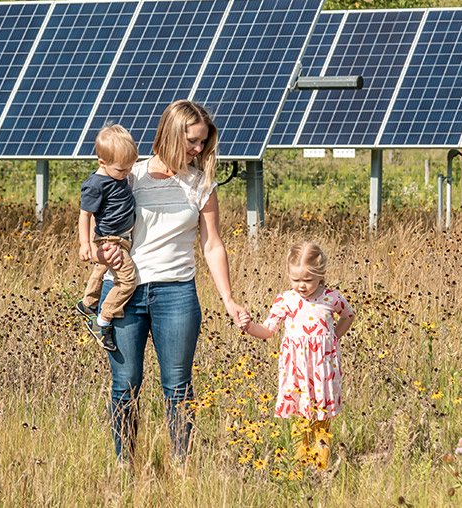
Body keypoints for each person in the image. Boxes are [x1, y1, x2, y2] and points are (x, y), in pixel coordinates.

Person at [88, 99, 251, 465]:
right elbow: (97, 230)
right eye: (193, 140)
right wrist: (100, 254)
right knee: (125, 384)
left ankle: (180, 466)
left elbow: (212, 244)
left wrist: (228, 299)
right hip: (124, 293)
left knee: (178, 386)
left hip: (177, 294)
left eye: (203, 142)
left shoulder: (201, 185)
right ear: (172, 134)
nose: (199, 148)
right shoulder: (130, 175)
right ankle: (125, 466)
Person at [236, 241, 356, 470]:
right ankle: (300, 465)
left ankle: (320, 467)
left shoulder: (332, 298)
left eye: (308, 280)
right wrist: (249, 327)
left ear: (321, 274)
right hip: (297, 372)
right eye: (296, 279)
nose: (301, 285)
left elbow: (348, 315)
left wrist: (333, 338)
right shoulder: (286, 300)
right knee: (300, 417)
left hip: (323, 371)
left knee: (322, 417)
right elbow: (268, 330)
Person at [76, 124, 139, 352]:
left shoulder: (117, 173)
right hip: (111, 240)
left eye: (130, 167)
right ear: (102, 162)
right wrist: (86, 244)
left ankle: (88, 303)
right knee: (128, 281)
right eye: (122, 170)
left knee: (101, 270)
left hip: (120, 237)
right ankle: (102, 322)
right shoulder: (95, 185)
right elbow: (85, 215)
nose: (127, 173)